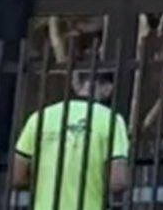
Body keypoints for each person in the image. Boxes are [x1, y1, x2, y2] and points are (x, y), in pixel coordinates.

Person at [13, 64, 132, 210]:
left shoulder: (40, 117)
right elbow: (117, 181)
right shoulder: (112, 120)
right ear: (108, 88)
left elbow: (16, 177)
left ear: (75, 83)